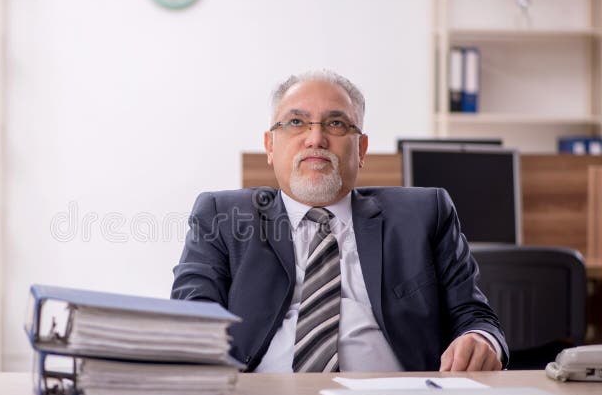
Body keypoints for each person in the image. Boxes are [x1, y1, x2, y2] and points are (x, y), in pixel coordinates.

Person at [171, 70, 507, 373]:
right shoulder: (221, 214)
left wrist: (480, 340)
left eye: (335, 124)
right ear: (270, 146)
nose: (315, 139)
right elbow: (192, 318)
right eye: (296, 123)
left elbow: (473, 315)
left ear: (361, 149)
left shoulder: (424, 214)